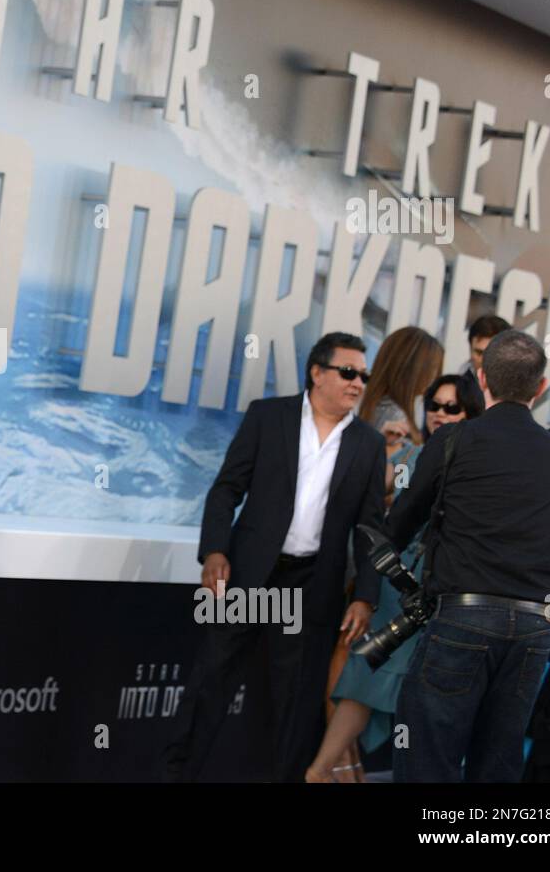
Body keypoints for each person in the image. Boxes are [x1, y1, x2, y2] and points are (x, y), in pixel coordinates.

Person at [162, 331, 386, 782]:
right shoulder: (268, 416)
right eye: (348, 372)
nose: (357, 383)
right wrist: (215, 550)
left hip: (311, 585)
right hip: (251, 576)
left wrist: (365, 595)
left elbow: (370, 529)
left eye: (363, 375)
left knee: (298, 705)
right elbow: (227, 488)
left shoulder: (368, 443)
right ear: (317, 373)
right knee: (211, 683)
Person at [390, 331, 550, 782]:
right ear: (541, 386)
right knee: (497, 765)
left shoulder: (455, 439)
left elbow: (400, 523)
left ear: (480, 378)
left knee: (426, 760)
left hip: (463, 619)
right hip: (534, 626)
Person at [306, 372, 483, 781]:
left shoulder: (476, 463)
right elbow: (366, 495)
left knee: (427, 692)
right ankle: (318, 770)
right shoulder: (409, 457)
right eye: (434, 406)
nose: (440, 413)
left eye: (451, 407)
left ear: (470, 411)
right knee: (367, 676)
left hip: (447, 585)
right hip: (400, 584)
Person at [357, 326, 444, 504]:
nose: (435, 377)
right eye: (433, 368)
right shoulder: (397, 418)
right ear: (413, 369)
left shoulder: (368, 402)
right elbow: (399, 481)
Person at [458, 313, 511, 380]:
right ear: (470, 349)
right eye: (479, 353)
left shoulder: (521, 387)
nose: (483, 360)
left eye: (491, 353)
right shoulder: (456, 386)